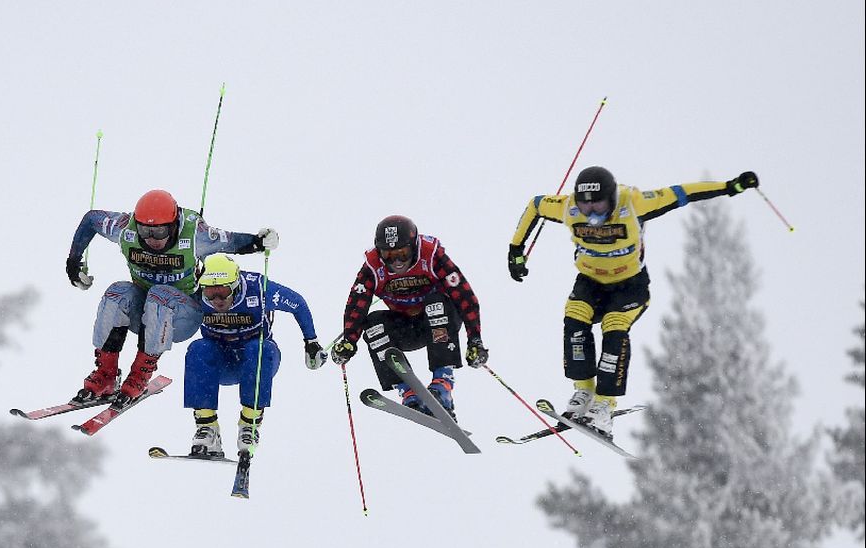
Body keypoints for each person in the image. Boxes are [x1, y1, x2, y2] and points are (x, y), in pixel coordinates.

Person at [506, 165, 760, 437]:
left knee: (614, 328)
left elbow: (682, 193)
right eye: (585, 207)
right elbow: (535, 205)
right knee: (574, 323)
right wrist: (516, 250)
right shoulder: (568, 207)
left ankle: (604, 404)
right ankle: (584, 392)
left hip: (629, 286)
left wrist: (729, 186)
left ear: (613, 199)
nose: (592, 214)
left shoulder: (634, 202)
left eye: (599, 205)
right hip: (590, 282)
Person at [65, 189, 279, 407]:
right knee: (117, 292)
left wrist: (259, 242)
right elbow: (92, 219)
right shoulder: (124, 229)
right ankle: (105, 375)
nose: (151, 239)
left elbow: (232, 241)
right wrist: (73, 262)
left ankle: (140, 375)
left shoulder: (195, 234)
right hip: (145, 313)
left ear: (175, 224)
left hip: (183, 315)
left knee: (161, 293)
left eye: (159, 233)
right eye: (144, 231)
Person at [330, 215, 489, 419]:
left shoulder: (431, 255)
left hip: (439, 323)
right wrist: (349, 342)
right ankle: (408, 391)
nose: (396, 262)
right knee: (372, 324)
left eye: (402, 254)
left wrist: (474, 338)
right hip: (406, 328)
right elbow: (356, 304)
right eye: (388, 255)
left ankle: (443, 385)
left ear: (413, 247)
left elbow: (464, 296)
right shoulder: (372, 267)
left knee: (436, 302)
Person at [184, 253, 327, 463]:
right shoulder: (195, 291)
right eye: (210, 294)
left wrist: (311, 341)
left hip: (257, 360)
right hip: (220, 364)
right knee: (198, 348)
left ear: (235, 285)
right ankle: (207, 428)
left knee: (258, 348)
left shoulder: (258, 288)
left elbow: (297, 303)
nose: (216, 301)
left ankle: (249, 425)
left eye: (223, 293)